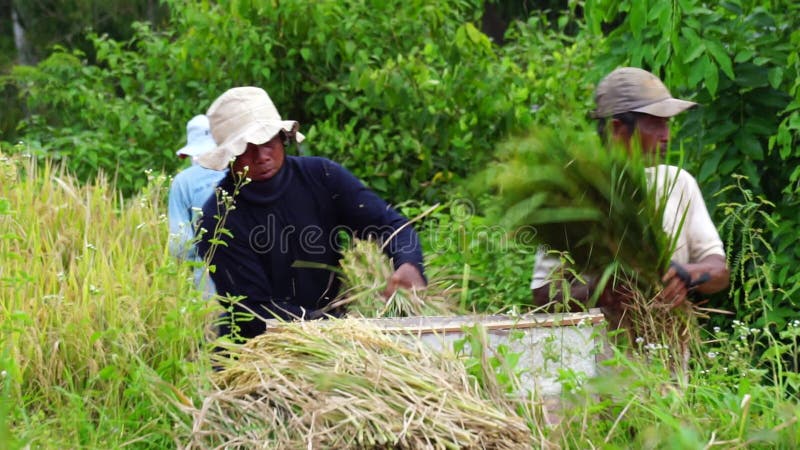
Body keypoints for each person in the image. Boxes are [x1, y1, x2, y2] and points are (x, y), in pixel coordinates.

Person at [195, 86, 427, 341]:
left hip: (339, 328)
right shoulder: (218, 218)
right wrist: (337, 328)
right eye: (247, 147)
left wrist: (408, 263)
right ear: (230, 156)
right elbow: (254, 312)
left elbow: (390, 225)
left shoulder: (322, 176)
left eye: (268, 141)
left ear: (282, 137)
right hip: (264, 345)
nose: (262, 156)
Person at [531, 67, 730, 322]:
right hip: (597, 347)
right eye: (655, 123)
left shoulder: (678, 184)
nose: (666, 136)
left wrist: (683, 274)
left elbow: (719, 271)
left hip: (668, 344)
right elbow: (543, 295)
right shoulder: (575, 195)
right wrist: (602, 292)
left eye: (667, 124)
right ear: (616, 129)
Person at [167, 114, 227, 296]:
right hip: (257, 276)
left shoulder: (183, 181)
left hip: (208, 283)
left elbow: (179, 245)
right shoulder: (244, 170)